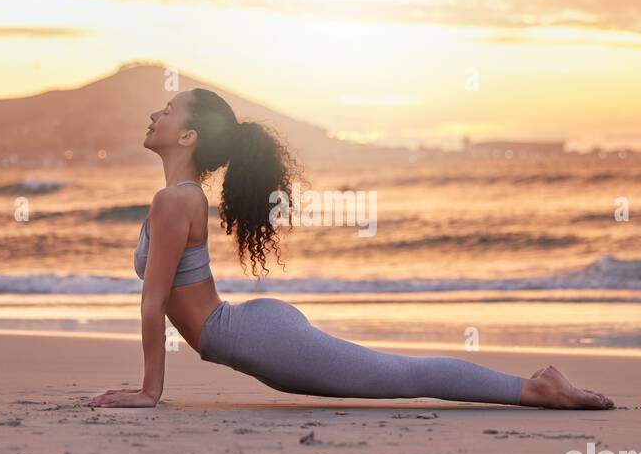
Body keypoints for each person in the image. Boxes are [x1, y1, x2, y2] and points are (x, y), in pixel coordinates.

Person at [89, 88, 612, 410]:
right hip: (249, 336)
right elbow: (161, 298)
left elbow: (154, 302)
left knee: (404, 378)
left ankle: (539, 389)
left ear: (188, 137)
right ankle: (535, 385)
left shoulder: (173, 201)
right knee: (397, 376)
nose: (154, 115)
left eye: (168, 110)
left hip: (253, 337)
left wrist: (148, 391)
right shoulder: (180, 199)